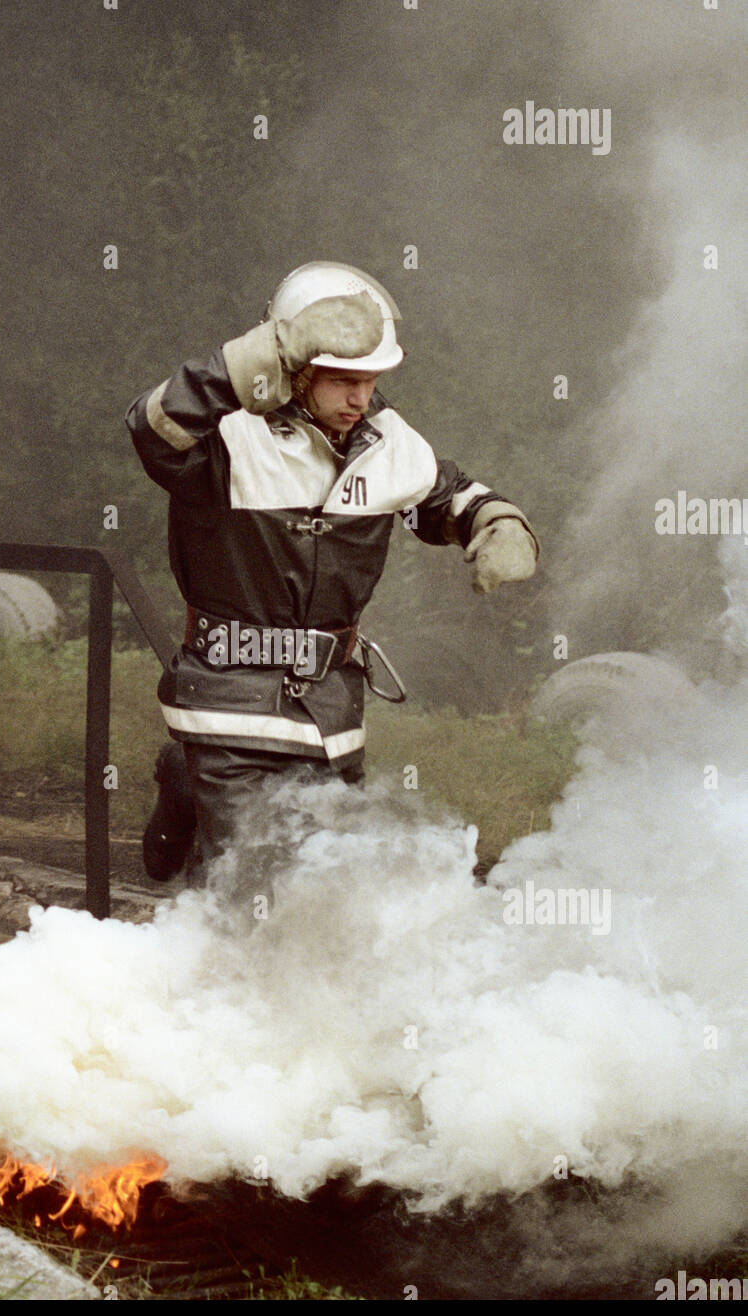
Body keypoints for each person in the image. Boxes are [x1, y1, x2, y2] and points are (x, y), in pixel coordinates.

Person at [125, 262, 538, 879]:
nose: (361, 398)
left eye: (371, 380)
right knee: (249, 891)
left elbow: (444, 492)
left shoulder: (385, 436)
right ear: (296, 367)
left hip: (330, 713)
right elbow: (151, 426)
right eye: (344, 379)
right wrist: (263, 353)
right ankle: (220, 943)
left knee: (330, 880)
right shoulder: (227, 435)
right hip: (229, 704)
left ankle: (184, 786)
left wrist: (496, 522)